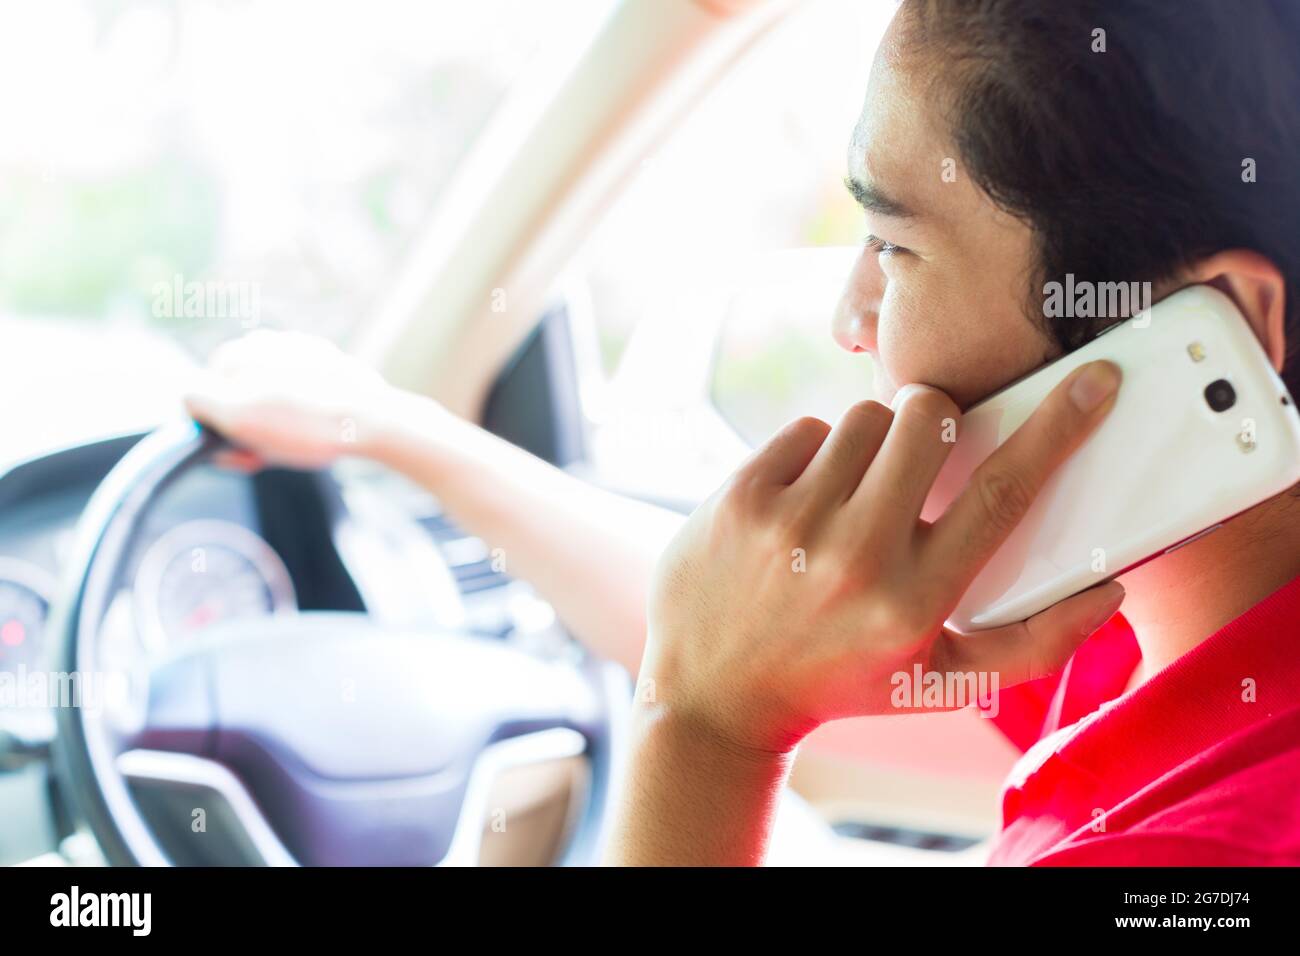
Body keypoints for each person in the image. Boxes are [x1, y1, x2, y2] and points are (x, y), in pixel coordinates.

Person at [188, 0, 1300, 866]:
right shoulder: (1156, 617)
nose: (850, 317)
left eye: (894, 245)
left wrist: (703, 732)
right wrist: (399, 430)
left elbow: (738, 671)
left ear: (1218, 330)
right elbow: (791, 638)